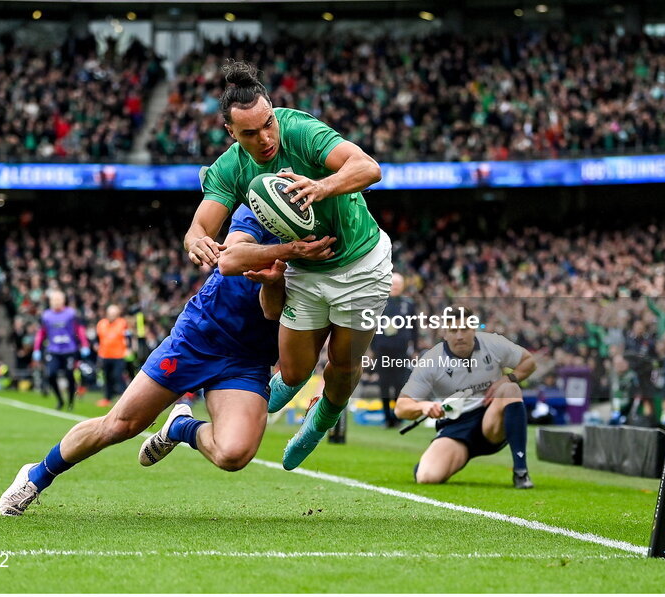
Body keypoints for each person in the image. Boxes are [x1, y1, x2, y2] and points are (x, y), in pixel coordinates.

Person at [0, 206, 332, 516]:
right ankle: (36, 476)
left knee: (234, 455)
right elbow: (230, 258)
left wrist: (275, 281)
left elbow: (273, 310)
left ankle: (181, 427)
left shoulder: (331, 229)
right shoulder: (265, 201)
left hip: (248, 358)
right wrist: (288, 251)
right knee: (121, 425)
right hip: (201, 335)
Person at [184, 60, 391, 471]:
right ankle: (263, 405)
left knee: (342, 367)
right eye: (249, 133)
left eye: (267, 124)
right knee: (294, 372)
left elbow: (370, 167)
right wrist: (197, 242)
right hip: (305, 271)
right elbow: (200, 227)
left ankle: (318, 424)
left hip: (363, 263)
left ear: (273, 111)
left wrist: (321, 185)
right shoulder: (230, 169)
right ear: (230, 132)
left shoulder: (300, 129)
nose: (264, 138)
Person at [394, 315, 538, 489]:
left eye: (465, 329)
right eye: (454, 331)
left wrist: (508, 378)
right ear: (445, 334)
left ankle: (521, 472)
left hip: (490, 420)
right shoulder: (431, 360)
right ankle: (434, 461)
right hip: (456, 426)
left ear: (474, 330)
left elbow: (529, 361)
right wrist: (423, 406)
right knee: (426, 476)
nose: (460, 335)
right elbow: (401, 408)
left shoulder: (493, 343)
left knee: (511, 390)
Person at [370, 273, 419, 427]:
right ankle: (387, 418)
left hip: (401, 351)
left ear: (402, 286)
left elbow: (414, 327)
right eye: (393, 283)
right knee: (384, 384)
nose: (395, 286)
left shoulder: (408, 304)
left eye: (398, 283)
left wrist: (415, 348)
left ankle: (397, 416)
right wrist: (372, 348)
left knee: (400, 384)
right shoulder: (379, 303)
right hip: (382, 350)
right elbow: (371, 326)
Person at [33, 290, 91, 411]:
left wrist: (85, 344)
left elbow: (79, 329)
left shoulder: (71, 314)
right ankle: (60, 399)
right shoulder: (46, 315)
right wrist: (36, 349)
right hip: (53, 350)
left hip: (69, 350)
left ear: (63, 300)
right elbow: (41, 333)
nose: (56, 302)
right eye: (54, 300)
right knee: (51, 374)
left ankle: (70, 401)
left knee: (70, 376)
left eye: (58, 299)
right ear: (50, 301)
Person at [95, 304, 129, 407]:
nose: (112, 315)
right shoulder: (101, 324)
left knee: (118, 376)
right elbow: (97, 338)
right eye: (110, 313)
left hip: (118, 355)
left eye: (114, 313)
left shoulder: (122, 323)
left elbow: (128, 337)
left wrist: (129, 348)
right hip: (104, 355)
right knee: (107, 377)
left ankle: (123, 398)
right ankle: (107, 397)